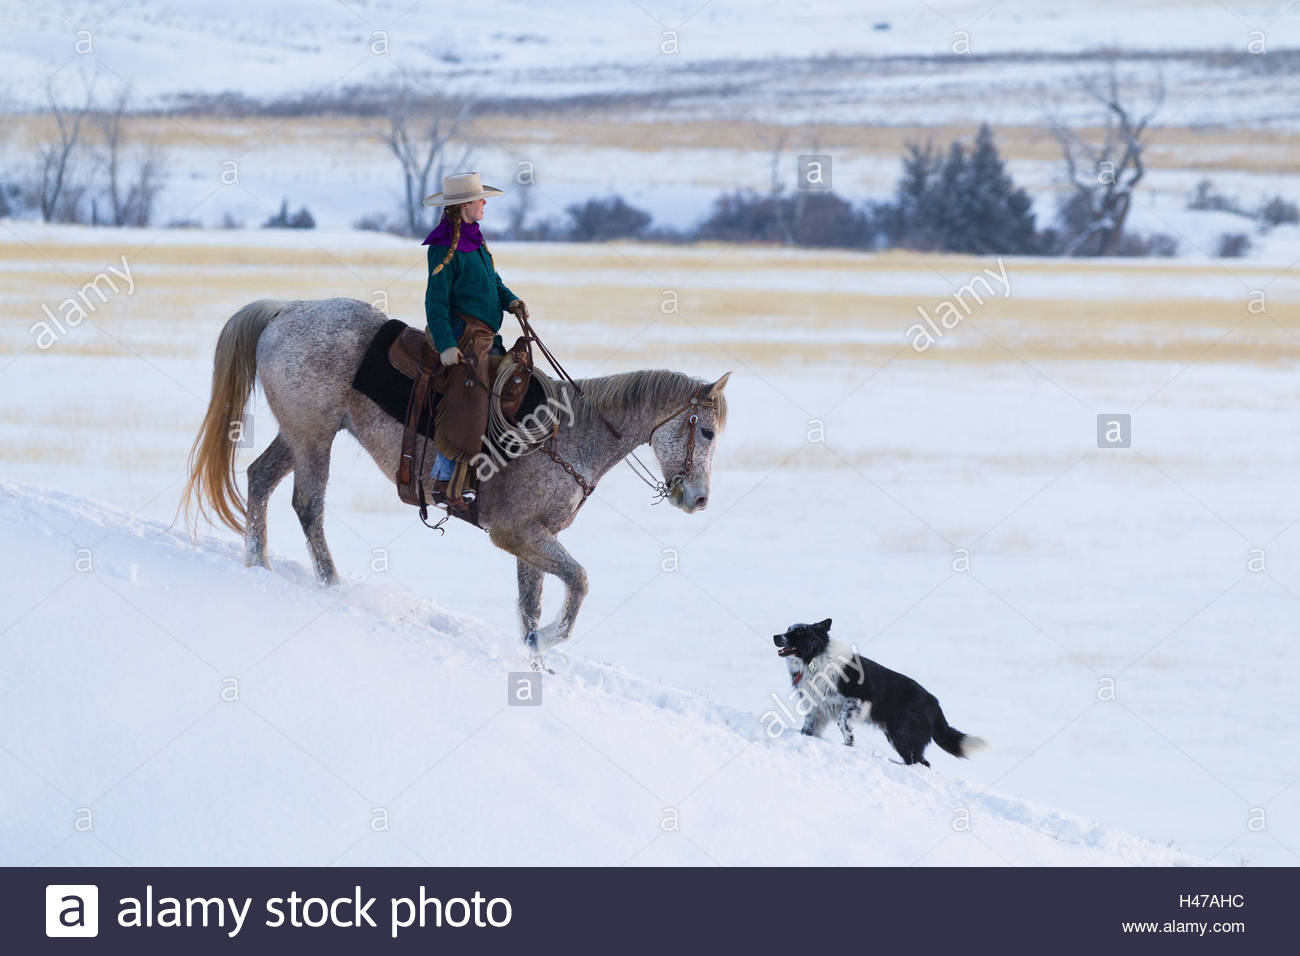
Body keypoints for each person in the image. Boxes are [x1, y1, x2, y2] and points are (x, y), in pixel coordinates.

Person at [420, 171, 529, 498]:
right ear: (464, 205)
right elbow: (435, 301)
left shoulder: (476, 238)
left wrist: (511, 301)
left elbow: (492, 282)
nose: (484, 204)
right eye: (480, 199)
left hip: (485, 334)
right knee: (472, 391)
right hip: (461, 333)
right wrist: (446, 345)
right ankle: (444, 477)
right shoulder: (443, 247)